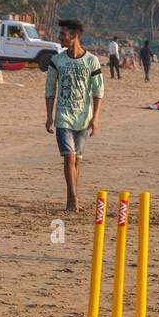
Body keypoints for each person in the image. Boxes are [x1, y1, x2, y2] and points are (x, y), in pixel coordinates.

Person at [44, 19, 104, 213]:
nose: (59, 38)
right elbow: (50, 88)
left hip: (83, 119)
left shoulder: (91, 61)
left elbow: (98, 92)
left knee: (77, 160)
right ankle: (72, 200)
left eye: (63, 35)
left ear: (74, 36)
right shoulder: (57, 61)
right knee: (69, 159)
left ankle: (74, 197)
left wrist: (95, 118)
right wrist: (49, 116)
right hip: (63, 117)